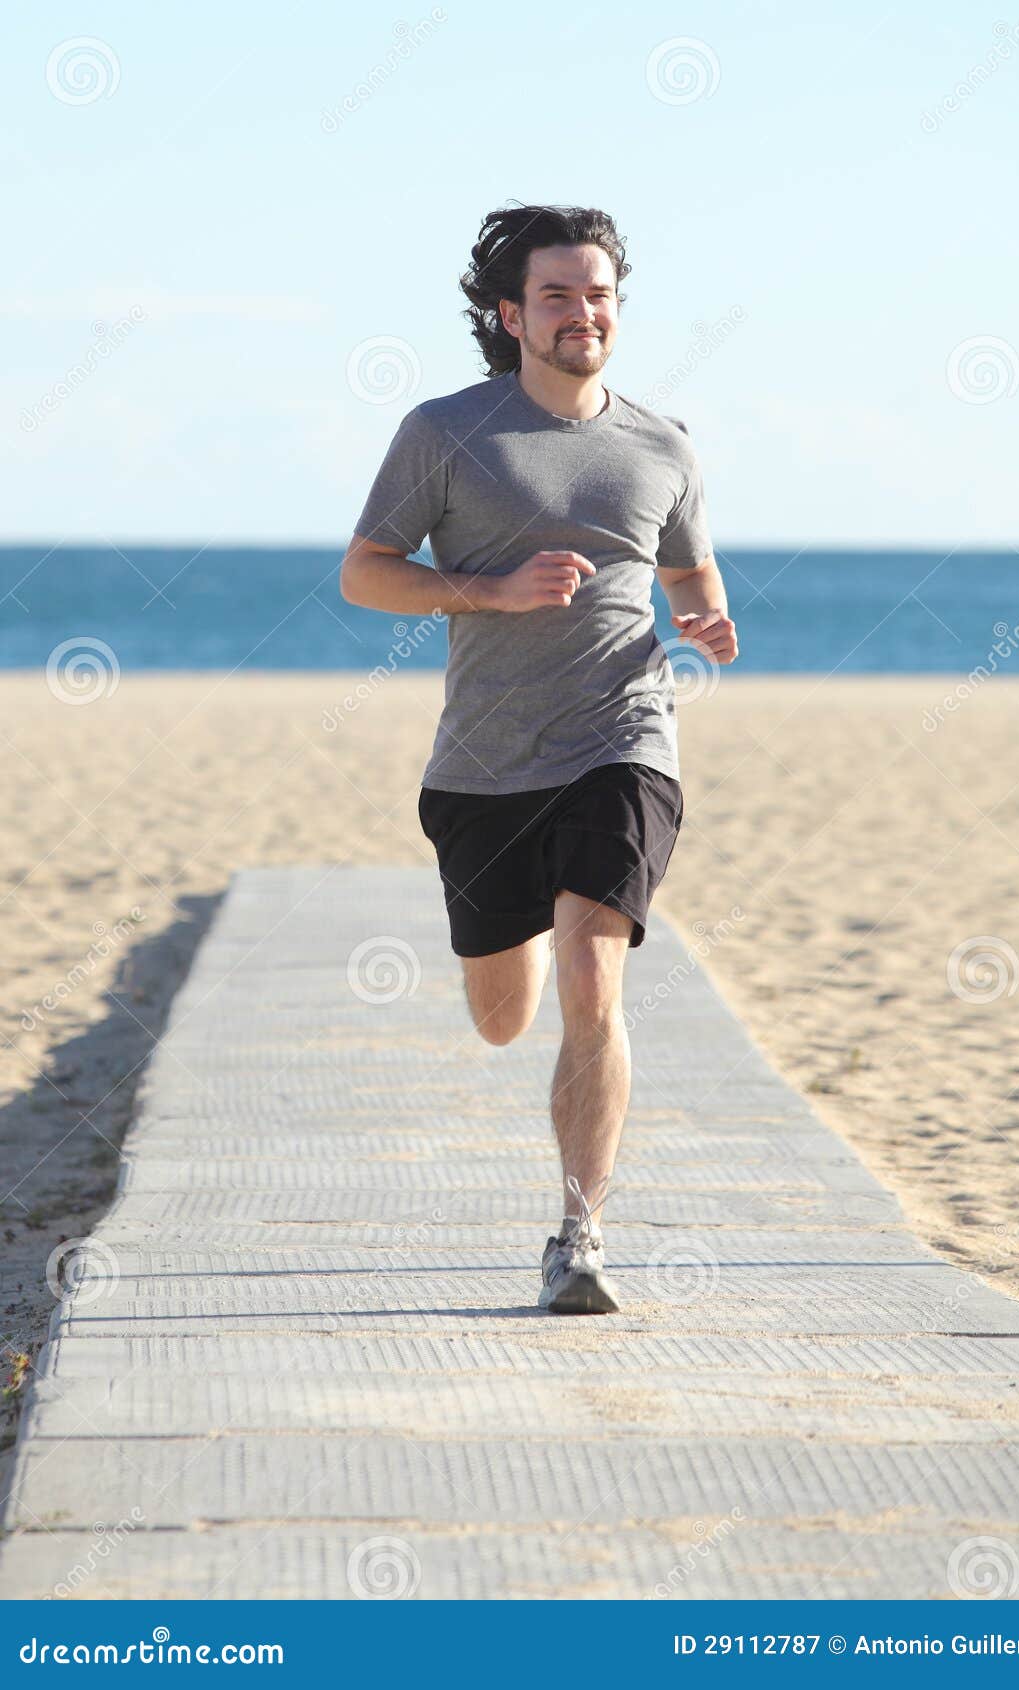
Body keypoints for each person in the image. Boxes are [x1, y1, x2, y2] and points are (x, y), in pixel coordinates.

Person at [339, 203, 738, 1315]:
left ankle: (580, 1236)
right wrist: (488, 589)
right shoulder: (446, 433)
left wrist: (704, 619)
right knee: (501, 1012)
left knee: (590, 973)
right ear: (509, 314)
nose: (582, 312)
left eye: (598, 292)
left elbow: (689, 574)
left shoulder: (662, 443)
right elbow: (365, 573)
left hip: (622, 740)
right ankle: (505, 978)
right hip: (482, 764)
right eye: (556, 295)